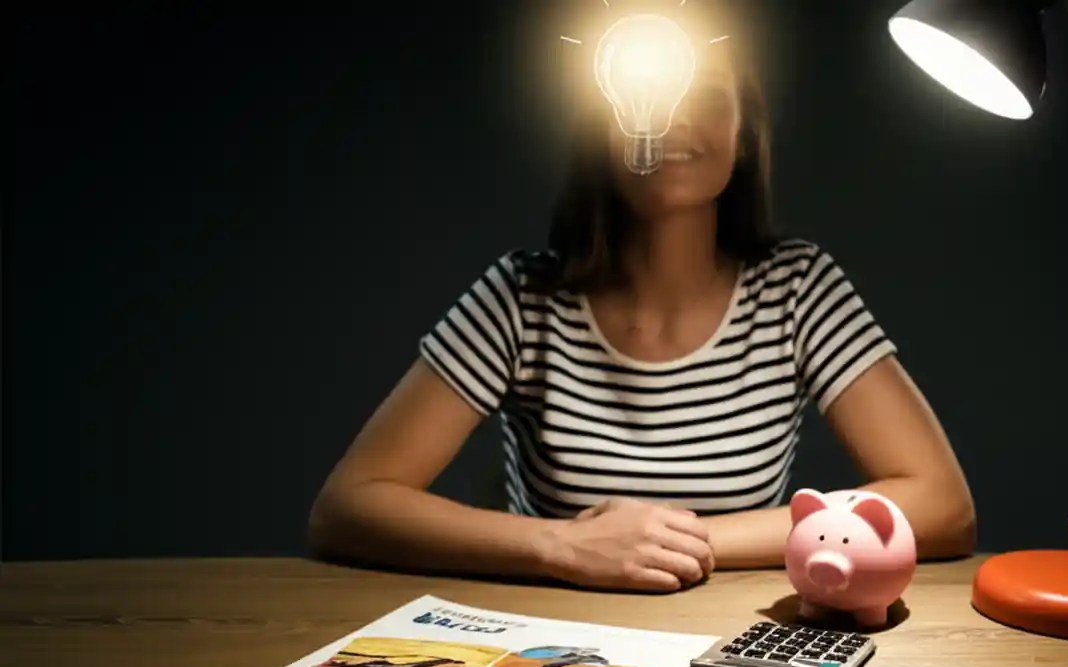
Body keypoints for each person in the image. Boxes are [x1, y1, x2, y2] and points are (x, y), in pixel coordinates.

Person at [308, 19, 976, 593]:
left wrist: (676, 542)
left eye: (706, 95)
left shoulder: (795, 288)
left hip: (721, 632)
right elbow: (349, 506)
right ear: (599, 128)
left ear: (744, 134)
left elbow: (940, 505)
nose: (675, 117)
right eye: (646, 91)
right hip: (552, 639)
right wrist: (563, 547)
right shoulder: (522, 299)